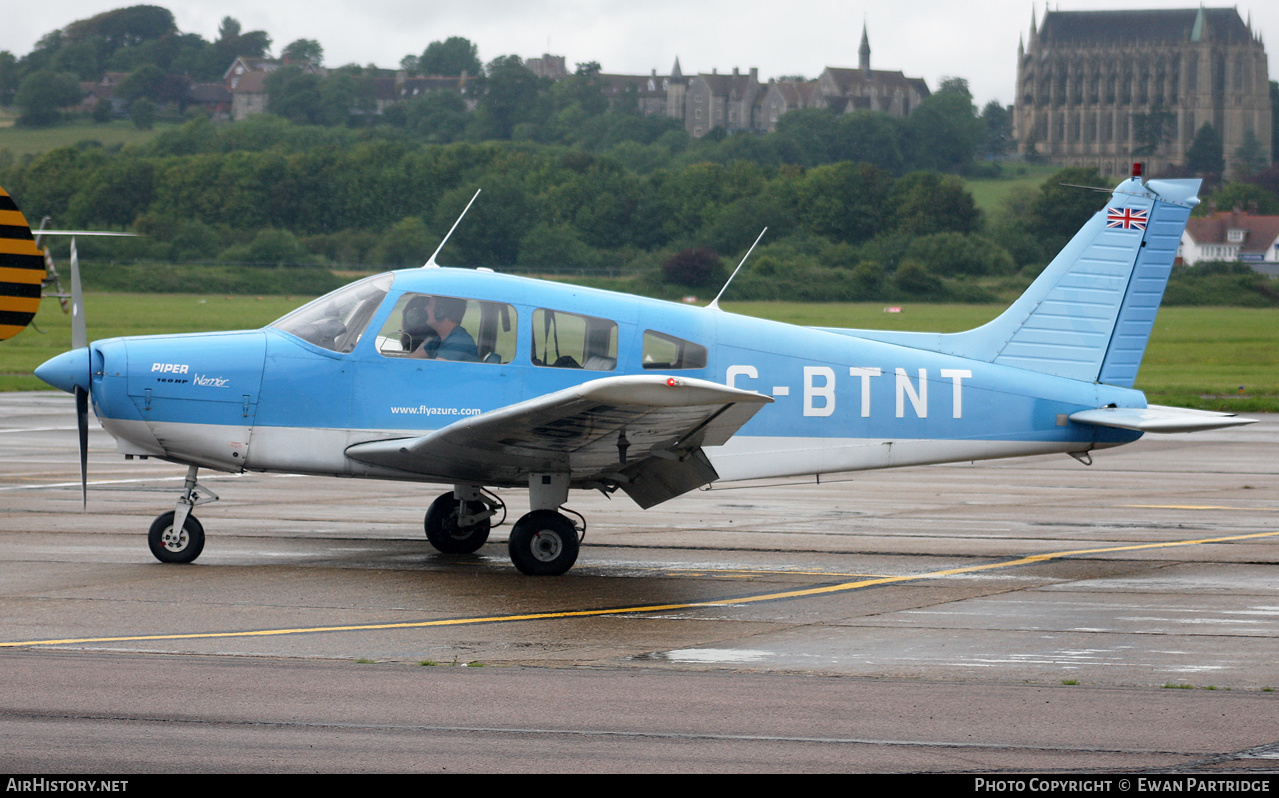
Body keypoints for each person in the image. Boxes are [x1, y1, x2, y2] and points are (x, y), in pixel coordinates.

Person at [402, 294, 478, 362]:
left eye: (430, 305)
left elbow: (437, 371)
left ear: (440, 312)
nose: (426, 308)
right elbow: (409, 358)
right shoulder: (439, 339)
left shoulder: (458, 342)